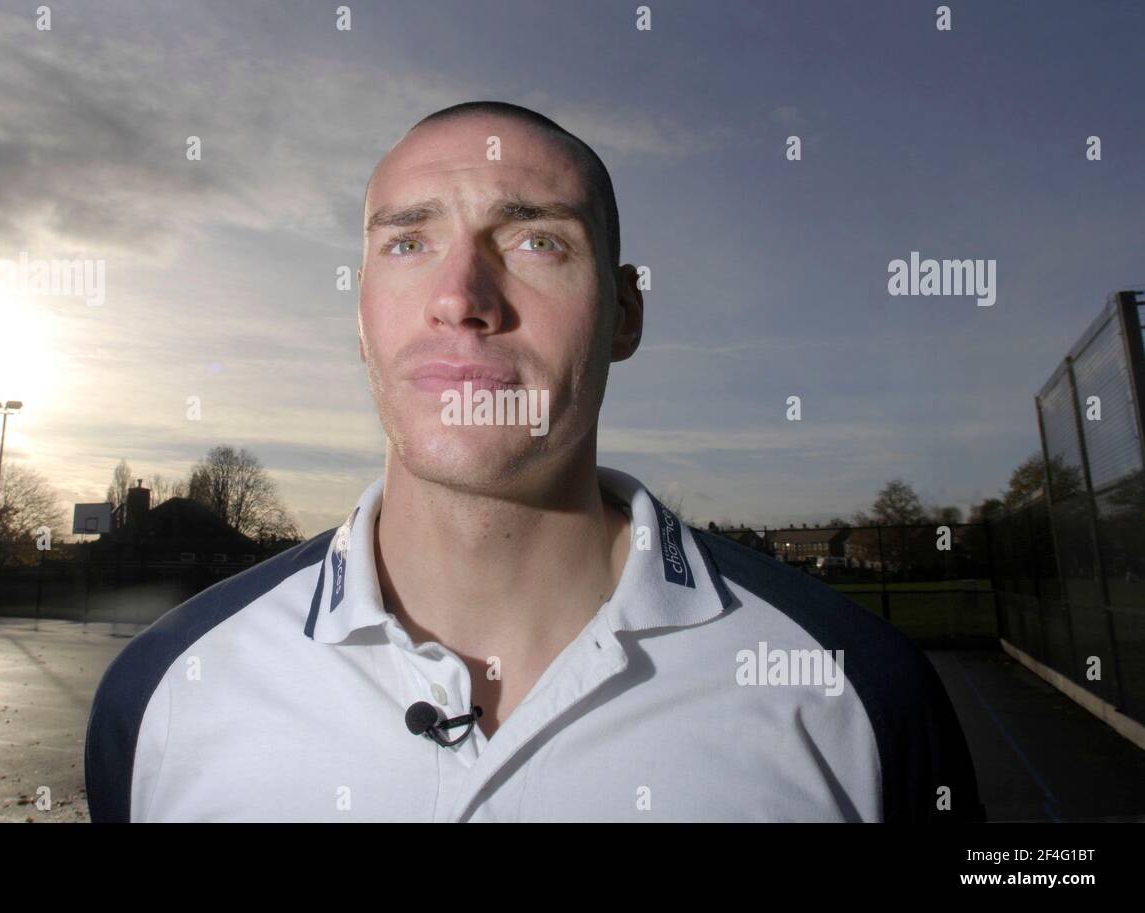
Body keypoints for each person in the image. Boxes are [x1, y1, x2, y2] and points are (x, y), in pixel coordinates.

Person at [85, 100, 983, 822]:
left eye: (535, 240)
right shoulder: (165, 693)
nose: (461, 299)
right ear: (360, 315)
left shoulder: (856, 691)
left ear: (626, 313)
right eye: (408, 241)